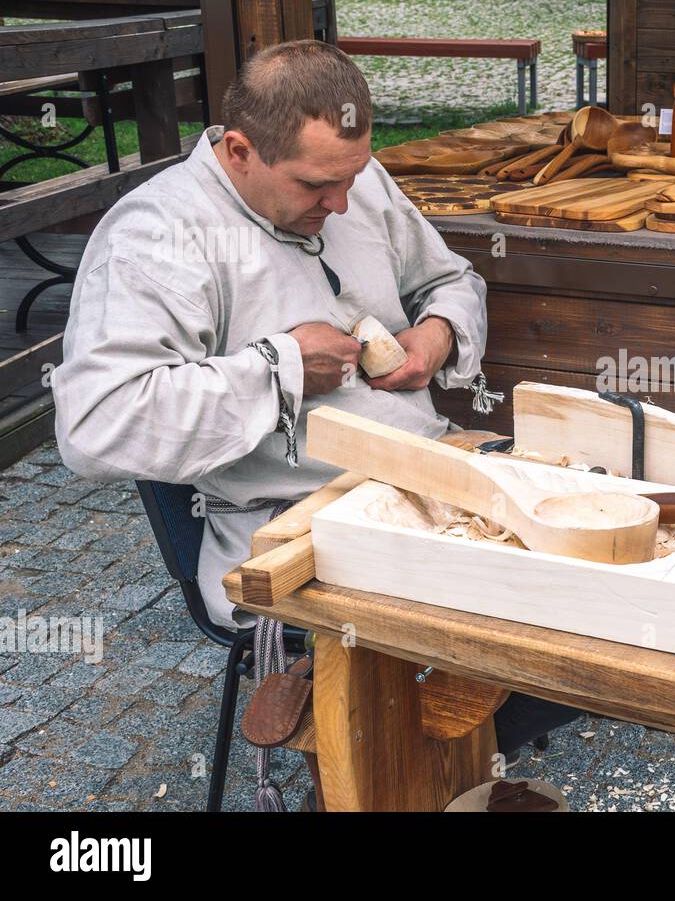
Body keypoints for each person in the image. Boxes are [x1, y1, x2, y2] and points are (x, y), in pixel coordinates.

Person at [53, 39, 580, 758]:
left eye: (352, 178)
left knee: (595, 563)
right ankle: (412, 763)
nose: (340, 204)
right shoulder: (157, 237)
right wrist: (279, 367)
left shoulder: (351, 180)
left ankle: (445, 753)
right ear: (239, 151)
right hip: (292, 523)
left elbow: (452, 279)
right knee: (550, 616)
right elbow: (96, 424)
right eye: (312, 187)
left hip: (429, 476)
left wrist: (437, 334)